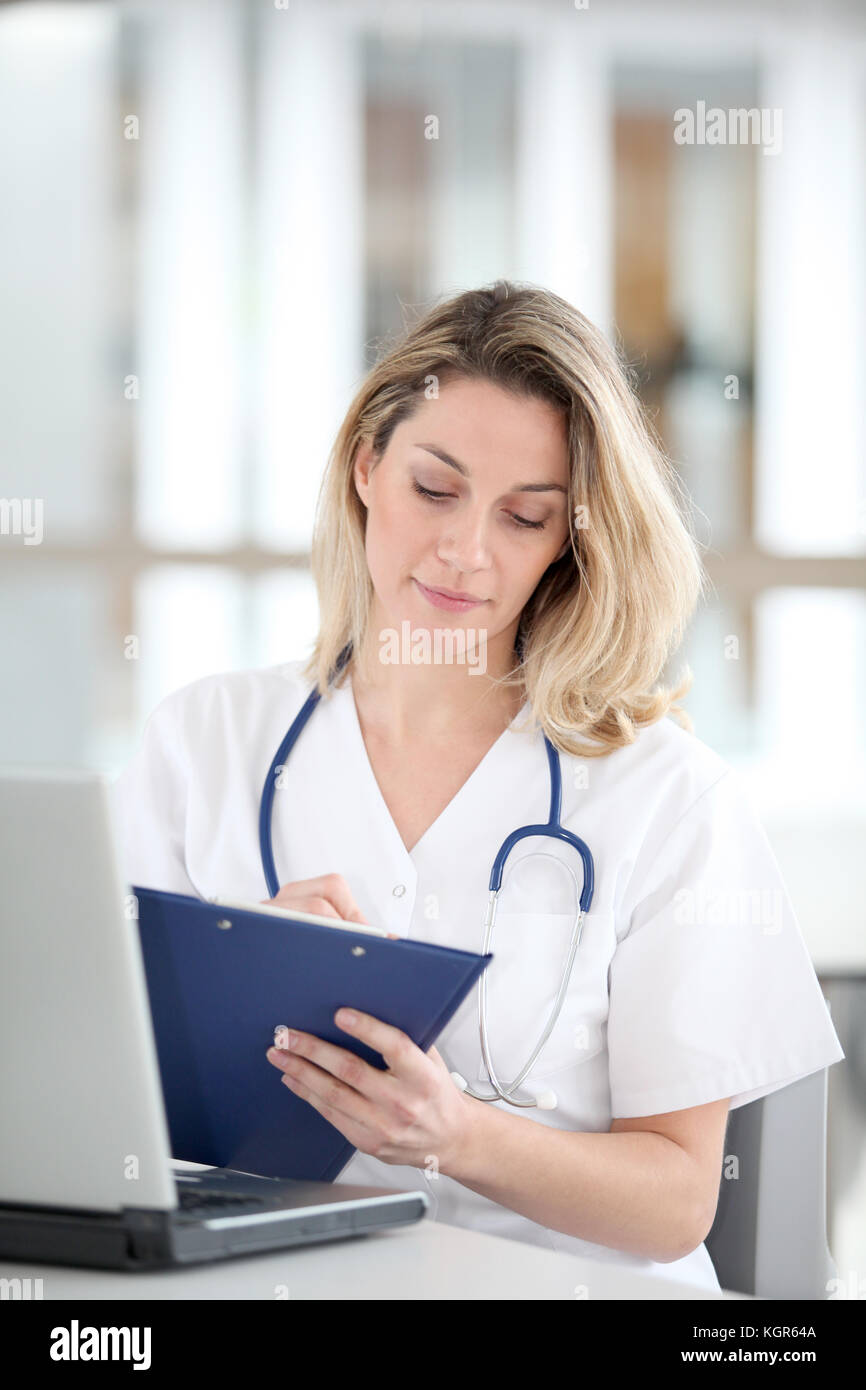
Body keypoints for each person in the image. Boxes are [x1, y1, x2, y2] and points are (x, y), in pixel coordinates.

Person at [111, 280, 844, 1293]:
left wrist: (456, 1135)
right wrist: (228, 1006)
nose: (465, 551)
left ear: (567, 540)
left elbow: (677, 1195)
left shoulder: (663, 797)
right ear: (366, 465)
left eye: (523, 516)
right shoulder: (203, 743)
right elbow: (99, 1104)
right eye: (434, 488)